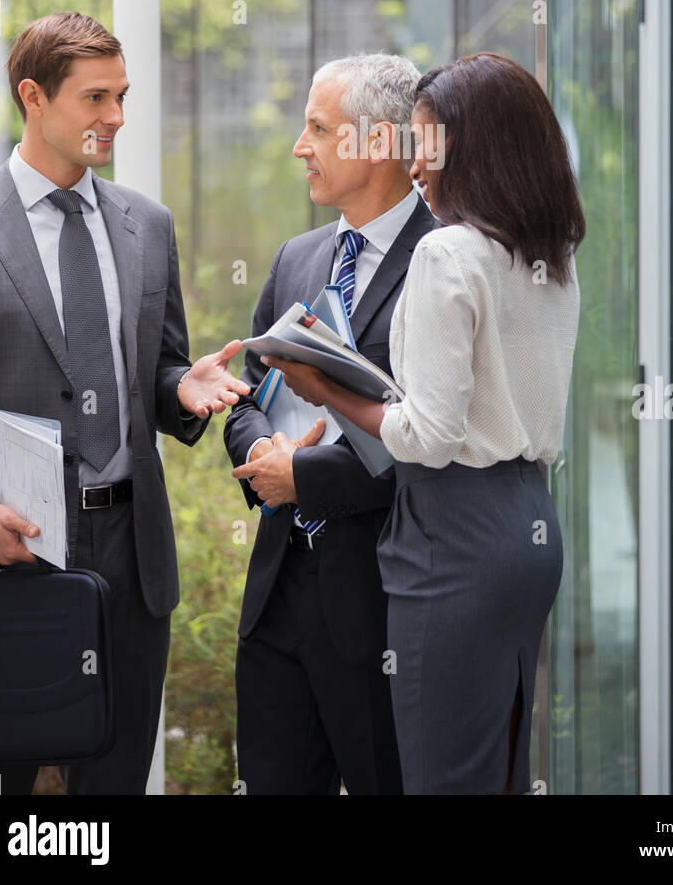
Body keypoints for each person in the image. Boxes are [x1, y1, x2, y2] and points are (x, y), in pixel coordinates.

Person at [263, 51, 585, 795]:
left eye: (428, 141)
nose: (415, 162)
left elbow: (426, 436)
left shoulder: (446, 252)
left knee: (442, 775)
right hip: (527, 522)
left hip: (452, 533)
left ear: (473, 145)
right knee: (498, 765)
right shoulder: (547, 254)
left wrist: (324, 383)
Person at [0, 11, 249, 795]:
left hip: (132, 552)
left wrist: (181, 389)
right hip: (4, 554)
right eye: (95, 98)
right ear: (33, 97)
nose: (116, 117)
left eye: (121, 96)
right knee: (2, 783)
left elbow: (157, 369)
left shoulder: (146, 227)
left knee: (113, 784)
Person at [224, 52, 436, 795]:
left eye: (318, 127)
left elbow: (437, 439)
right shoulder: (296, 258)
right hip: (279, 599)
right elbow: (247, 395)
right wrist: (263, 452)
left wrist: (303, 476)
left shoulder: (445, 263)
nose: (299, 146)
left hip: (383, 609)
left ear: (379, 142)